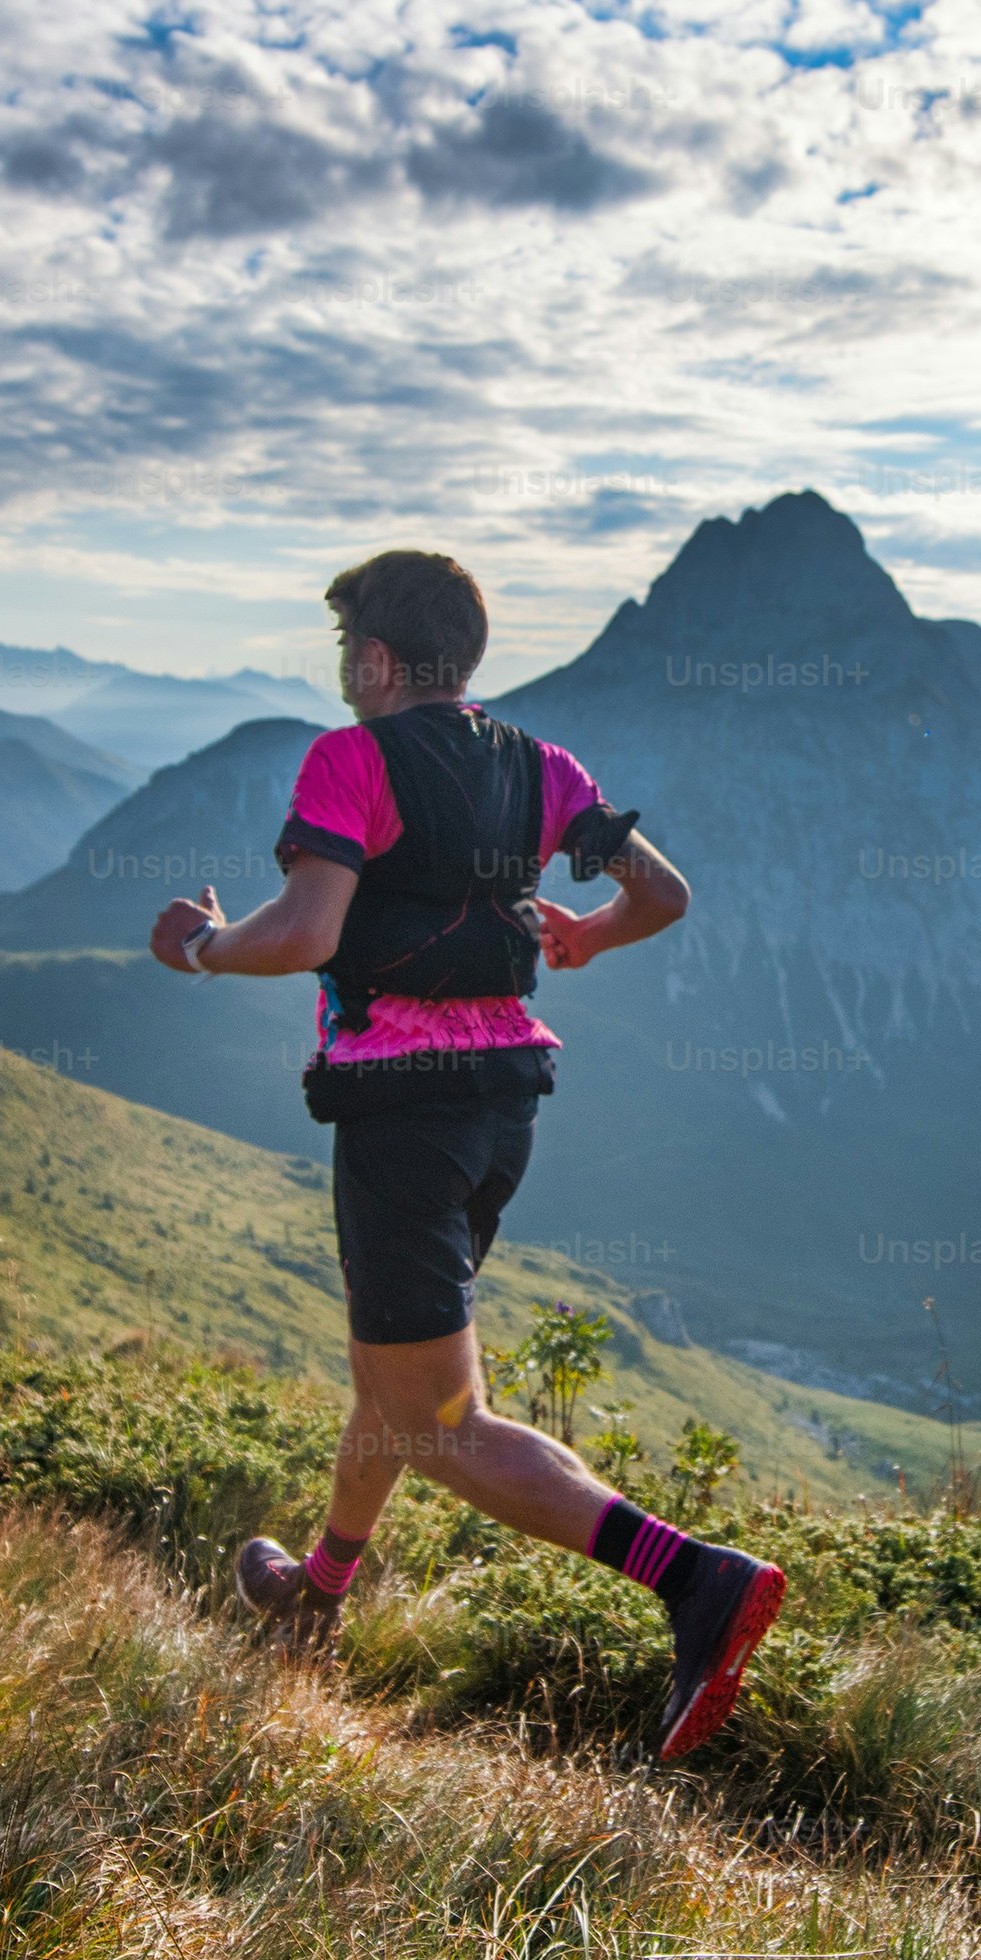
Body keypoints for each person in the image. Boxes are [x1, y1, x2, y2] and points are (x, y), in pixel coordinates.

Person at [148, 548, 785, 1762]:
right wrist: (587, 939)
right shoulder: (543, 767)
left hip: (401, 1114)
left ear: (380, 662)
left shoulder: (353, 759)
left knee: (440, 1419)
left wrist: (199, 947)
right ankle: (316, 1598)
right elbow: (665, 895)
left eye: (348, 653)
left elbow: (303, 933)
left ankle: (694, 1581)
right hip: (503, 1110)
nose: (342, 675)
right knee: (394, 1383)